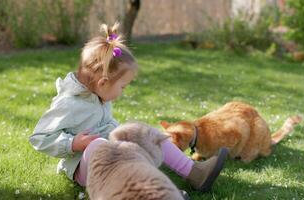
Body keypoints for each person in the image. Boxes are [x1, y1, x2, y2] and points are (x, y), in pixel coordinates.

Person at [29, 22, 228, 192]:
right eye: (122, 86)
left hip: (113, 157)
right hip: (85, 167)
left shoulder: (98, 96)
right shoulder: (69, 104)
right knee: (97, 145)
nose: (123, 92)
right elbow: (39, 138)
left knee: (141, 132)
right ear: (103, 83)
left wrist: (128, 136)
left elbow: (108, 127)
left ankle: (195, 172)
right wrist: (73, 144)